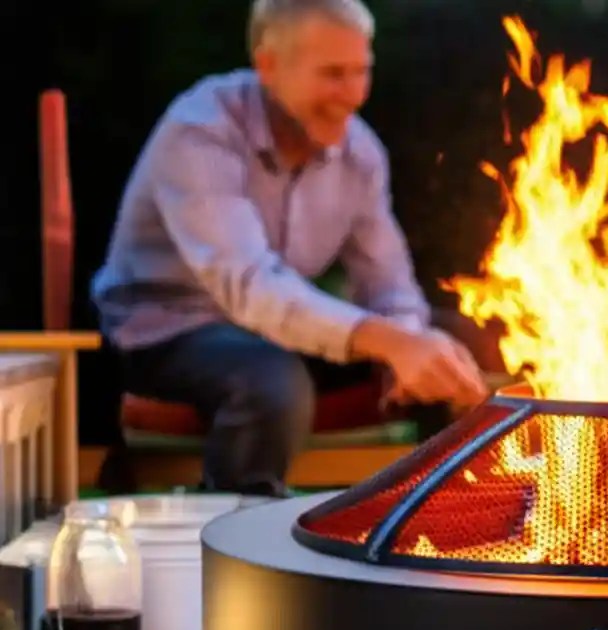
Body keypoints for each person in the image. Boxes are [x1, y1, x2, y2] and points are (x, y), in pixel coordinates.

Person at [90, 0, 490, 498]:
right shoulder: (200, 131)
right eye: (332, 74)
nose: (352, 95)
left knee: (466, 346)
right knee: (271, 383)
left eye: (361, 73)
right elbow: (249, 288)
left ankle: (445, 515)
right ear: (268, 66)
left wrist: (406, 346)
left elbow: (389, 285)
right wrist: (391, 343)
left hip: (284, 332)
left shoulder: (360, 153)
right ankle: (238, 539)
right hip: (162, 331)